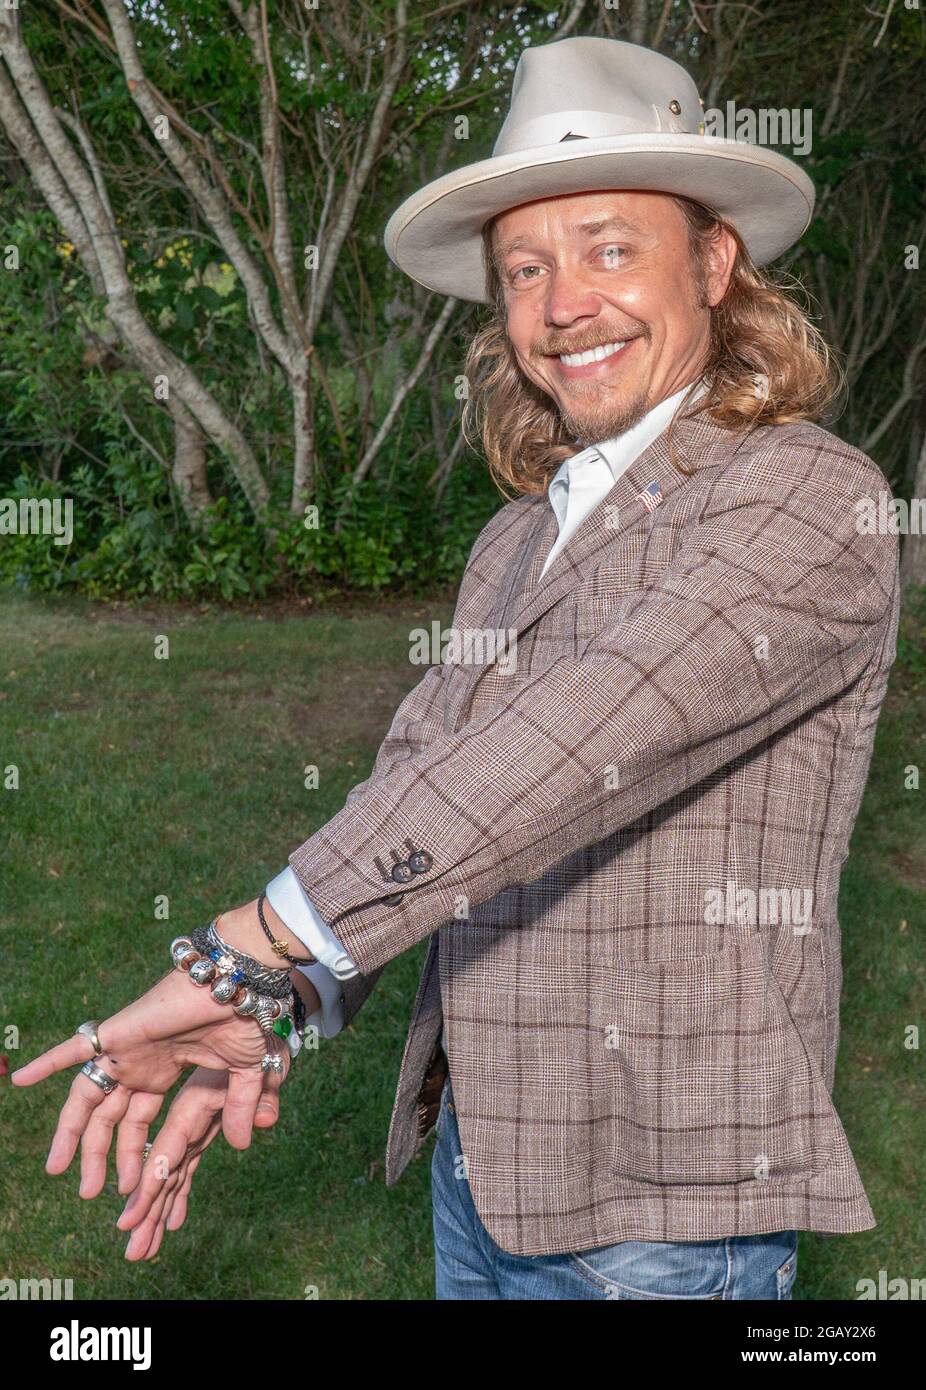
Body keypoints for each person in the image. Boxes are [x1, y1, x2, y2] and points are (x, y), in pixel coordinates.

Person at [13, 36, 900, 1299]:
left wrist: (245, 945)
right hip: (481, 1161)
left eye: (608, 250)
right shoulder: (515, 535)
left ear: (712, 264)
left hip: (660, 1205)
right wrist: (275, 1003)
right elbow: (428, 781)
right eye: (522, 270)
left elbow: (571, 743)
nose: (558, 306)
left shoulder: (808, 498)